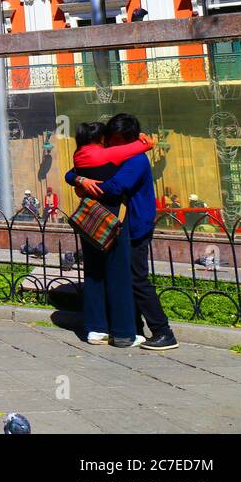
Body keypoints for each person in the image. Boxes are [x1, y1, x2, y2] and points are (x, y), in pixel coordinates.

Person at [70, 113, 179, 351]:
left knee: (136, 278)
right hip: (118, 227)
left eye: (117, 139)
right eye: (110, 138)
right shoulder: (116, 157)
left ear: (128, 139)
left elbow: (117, 186)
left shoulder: (135, 160)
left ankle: (163, 331)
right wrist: (79, 178)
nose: (112, 143)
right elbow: (74, 170)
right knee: (121, 277)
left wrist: (88, 185)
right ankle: (134, 327)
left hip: (136, 225)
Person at [64, 121, 138, 347]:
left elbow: (70, 174)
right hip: (112, 220)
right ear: (102, 139)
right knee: (119, 276)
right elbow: (142, 149)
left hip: (90, 222)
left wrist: (81, 181)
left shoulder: (80, 157)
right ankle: (123, 332)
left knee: (93, 274)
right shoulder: (111, 158)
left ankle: (96, 330)